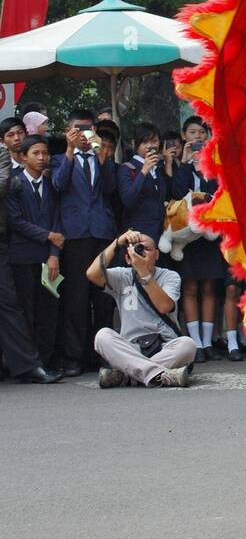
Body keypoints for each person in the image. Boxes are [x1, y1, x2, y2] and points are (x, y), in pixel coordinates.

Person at [51, 106, 118, 375]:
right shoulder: (58, 159)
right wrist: (69, 151)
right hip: (75, 233)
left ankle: (101, 353)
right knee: (76, 297)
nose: (83, 134)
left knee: (102, 296)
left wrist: (103, 158)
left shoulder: (101, 156)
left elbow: (111, 189)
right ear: (69, 131)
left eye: (87, 129)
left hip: (102, 232)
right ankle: (74, 357)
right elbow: (58, 185)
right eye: (77, 129)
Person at [86, 230, 196, 386]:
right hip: (131, 347)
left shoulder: (170, 276)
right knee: (102, 336)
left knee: (187, 345)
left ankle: (126, 375)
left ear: (157, 255)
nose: (142, 252)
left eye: (147, 249)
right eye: (137, 248)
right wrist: (117, 242)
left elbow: (164, 306)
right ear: (127, 258)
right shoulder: (122, 276)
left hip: (164, 345)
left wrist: (144, 273)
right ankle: (160, 375)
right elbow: (92, 274)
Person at [0, 141, 63, 383]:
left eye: (43, 153)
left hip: (28, 251)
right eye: (35, 153)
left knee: (13, 306)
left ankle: (30, 366)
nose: (41, 157)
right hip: (22, 252)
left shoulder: (2, 154)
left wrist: (53, 250)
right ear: (25, 157)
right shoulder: (20, 181)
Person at [174, 116, 230, 363]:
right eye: (192, 132)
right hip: (186, 236)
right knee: (190, 287)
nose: (197, 137)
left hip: (209, 233)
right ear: (184, 136)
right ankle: (195, 343)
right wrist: (185, 162)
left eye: (201, 133)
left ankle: (207, 342)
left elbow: (220, 191)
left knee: (209, 287)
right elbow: (174, 193)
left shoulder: (214, 164)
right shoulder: (180, 165)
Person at [117, 123, 186, 243]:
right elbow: (128, 199)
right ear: (135, 144)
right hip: (139, 234)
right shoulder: (127, 168)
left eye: (154, 141)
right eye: (144, 142)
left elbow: (169, 197)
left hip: (161, 233)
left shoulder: (158, 169)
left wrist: (168, 163)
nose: (150, 146)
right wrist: (144, 170)